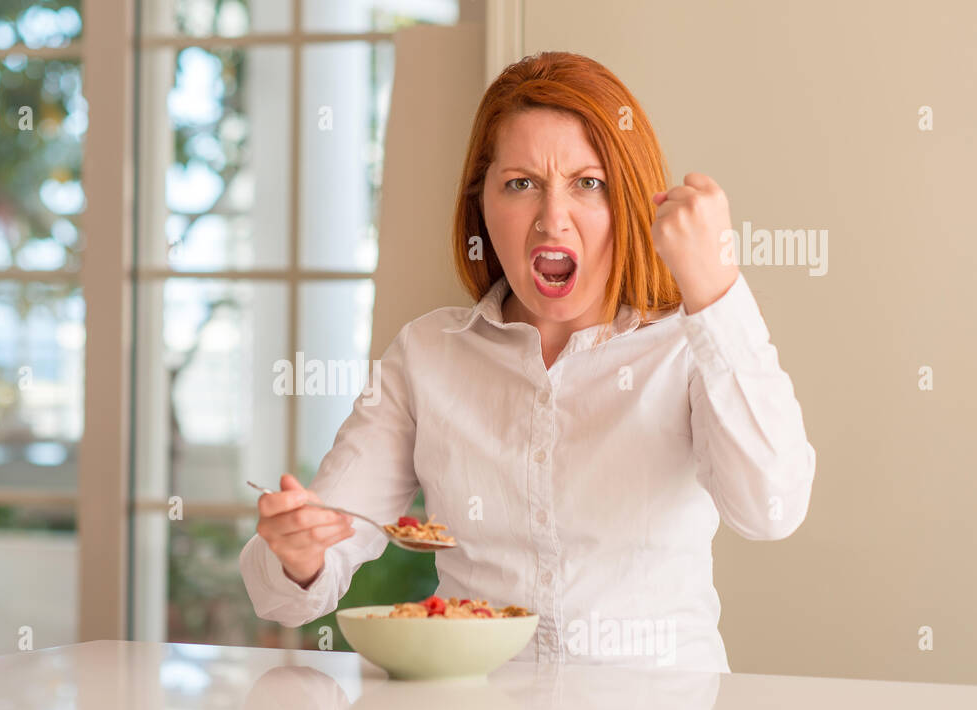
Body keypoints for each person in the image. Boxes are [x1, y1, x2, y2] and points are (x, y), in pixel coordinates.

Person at [238, 51, 816, 673]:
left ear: (632, 202)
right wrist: (300, 553)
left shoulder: (687, 347)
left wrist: (717, 293)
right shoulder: (428, 354)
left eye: (587, 184)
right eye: (520, 184)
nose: (552, 219)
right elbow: (299, 580)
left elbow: (770, 510)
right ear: (481, 205)